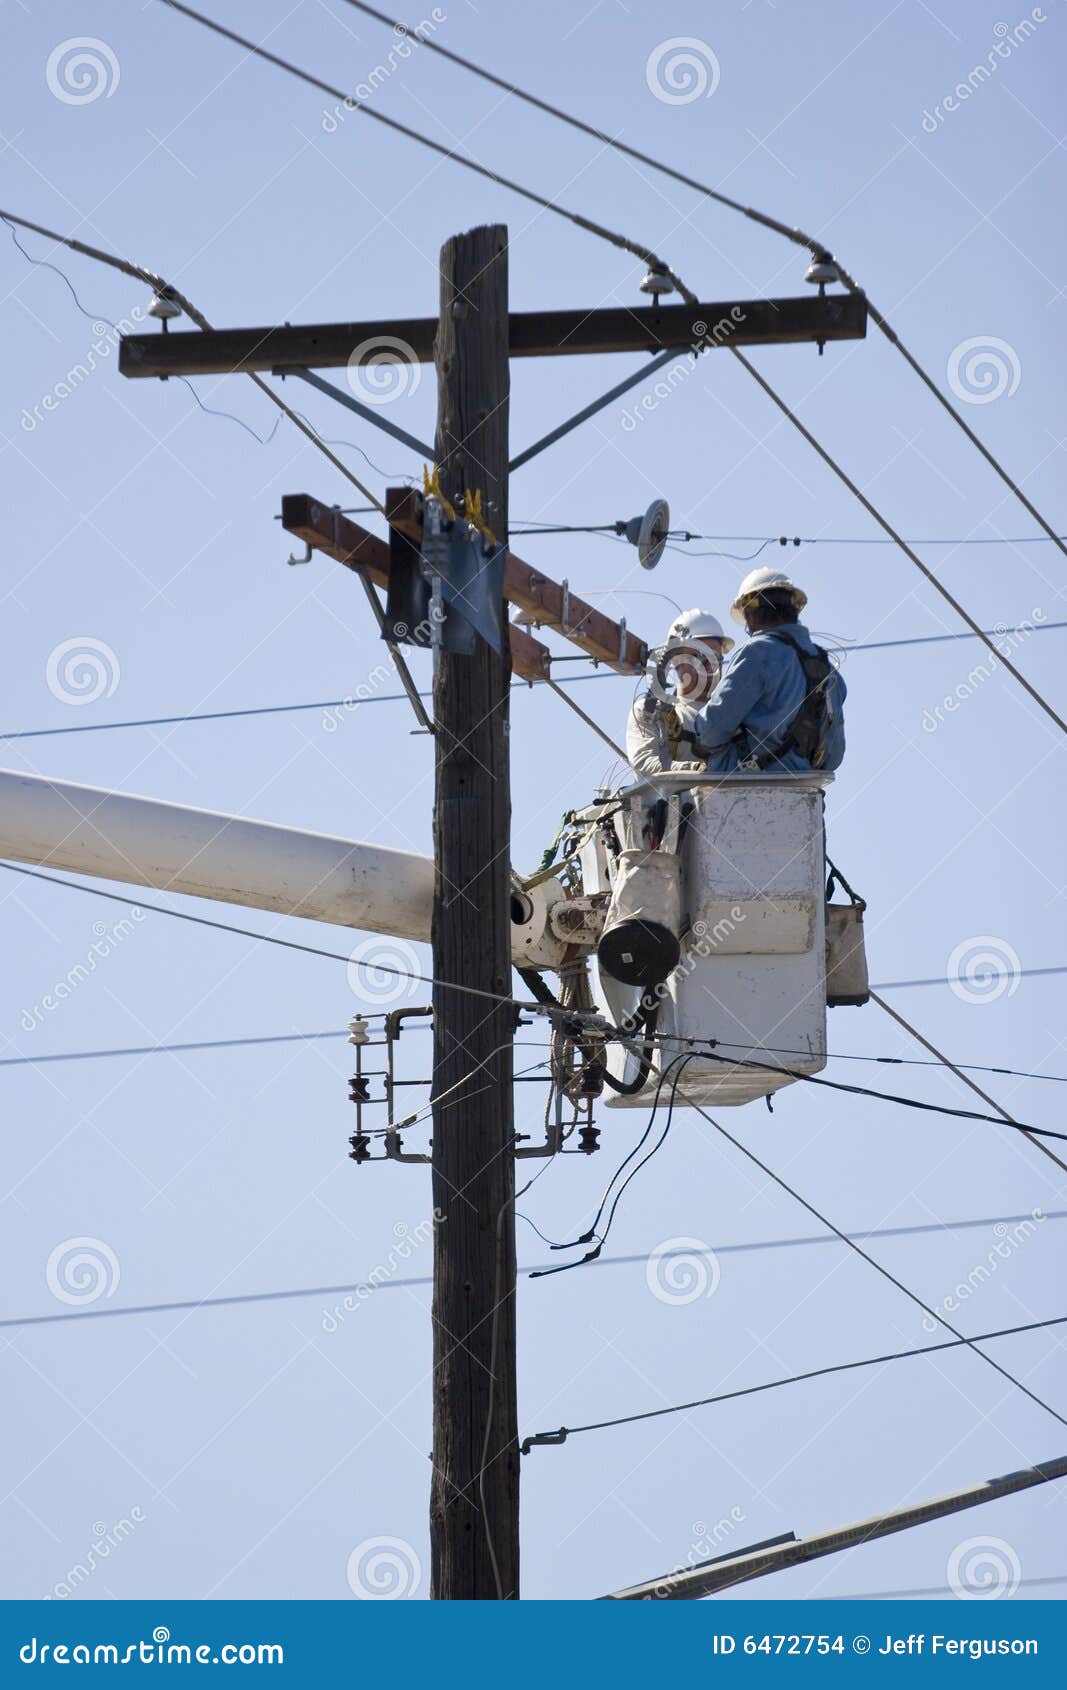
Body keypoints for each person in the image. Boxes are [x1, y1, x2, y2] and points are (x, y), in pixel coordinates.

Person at [691, 566, 846, 772]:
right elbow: (833, 757)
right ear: (794, 610)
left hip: (743, 789)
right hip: (804, 794)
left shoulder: (758, 653)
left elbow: (712, 729)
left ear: (751, 614)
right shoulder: (829, 672)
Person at [627, 608, 733, 778]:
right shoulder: (652, 712)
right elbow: (644, 764)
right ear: (676, 660)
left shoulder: (734, 714)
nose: (711, 665)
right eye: (702, 656)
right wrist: (696, 769)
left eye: (716, 657)